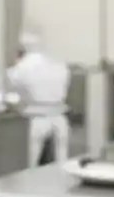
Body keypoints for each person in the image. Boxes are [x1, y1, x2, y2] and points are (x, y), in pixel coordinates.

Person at [6, 32, 72, 166]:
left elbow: (10, 88)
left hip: (36, 119)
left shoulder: (23, 66)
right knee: (62, 163)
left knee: (31, 165)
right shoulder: (59, 63)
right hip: (59, 118)